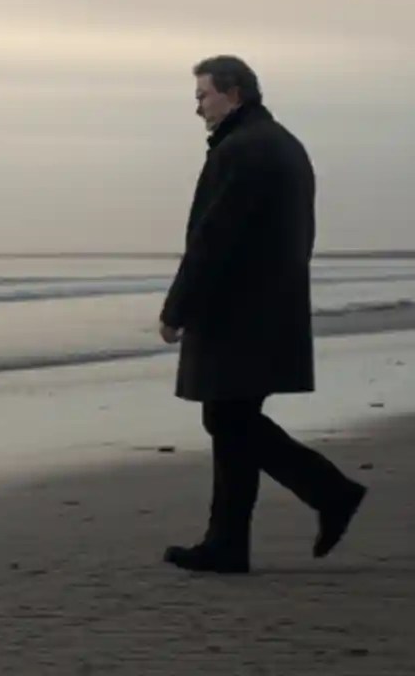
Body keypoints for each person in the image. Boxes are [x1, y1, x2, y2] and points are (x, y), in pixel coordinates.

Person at [158, 55, 366, 574]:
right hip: (269, 303)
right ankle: (227, 543)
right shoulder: (279, 143)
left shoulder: (244, 149)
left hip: (240, 308)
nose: (198, 107)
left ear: (233, 93)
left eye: (203, 95)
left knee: (228, 416)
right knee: (231, 417)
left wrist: (177, 307)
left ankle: (331, 492)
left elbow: (214, 236)